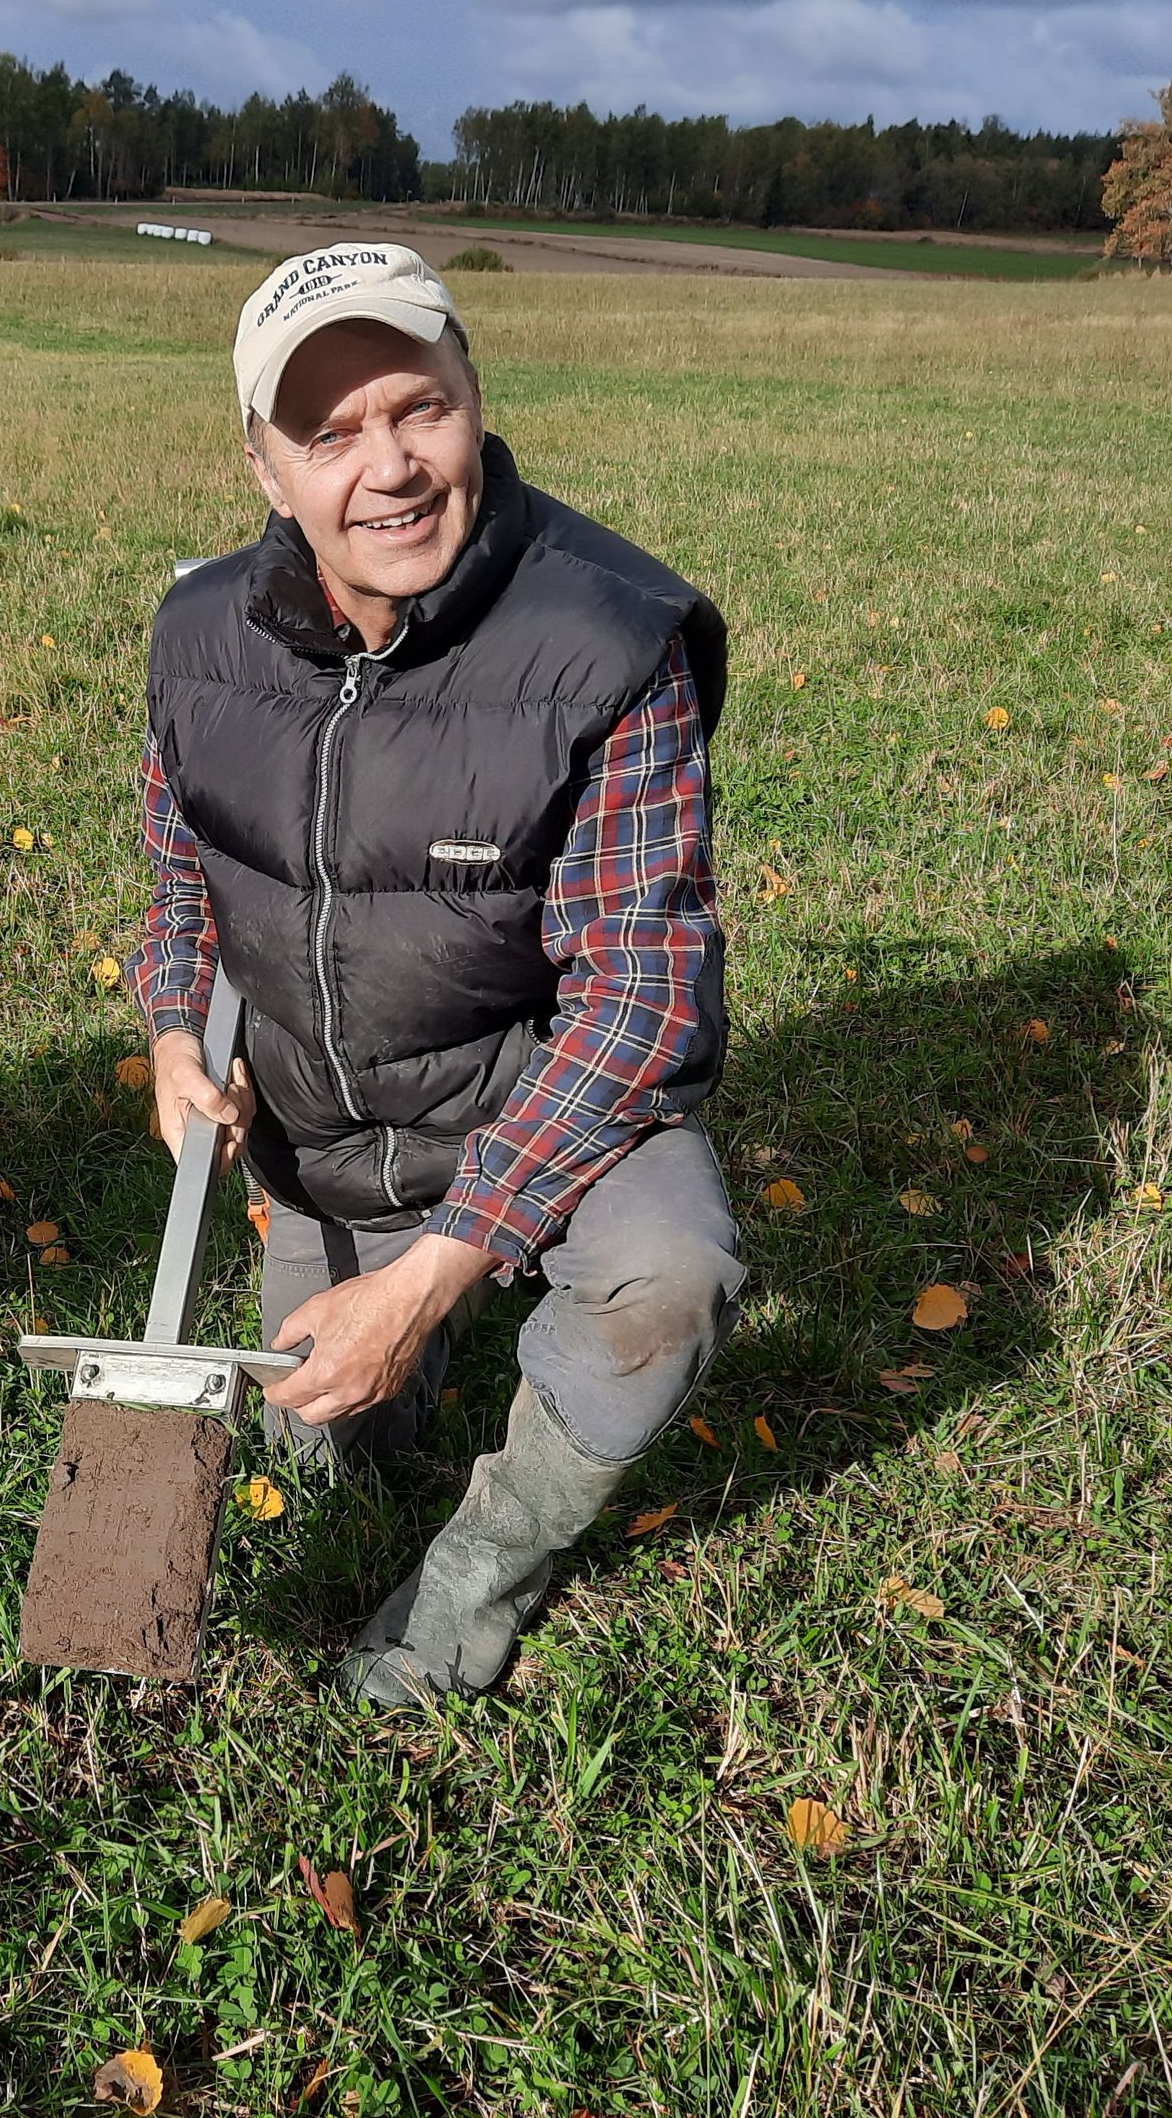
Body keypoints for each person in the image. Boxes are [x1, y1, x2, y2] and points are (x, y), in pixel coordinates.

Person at [131, 245, 746, 1705]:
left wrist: (433, 1273)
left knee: (668, 1283)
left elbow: (641, 1003)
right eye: (328, 433)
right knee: (325, 1444)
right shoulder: (199, 638)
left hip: (543, 1101)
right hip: (326, 1132)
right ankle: (417, 1323)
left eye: (419, 408)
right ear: (267, 470)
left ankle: (478, 1578)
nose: (388, 467)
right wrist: (172, 1026)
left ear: (477, 402)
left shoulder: (610, 640)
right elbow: (181, 870)